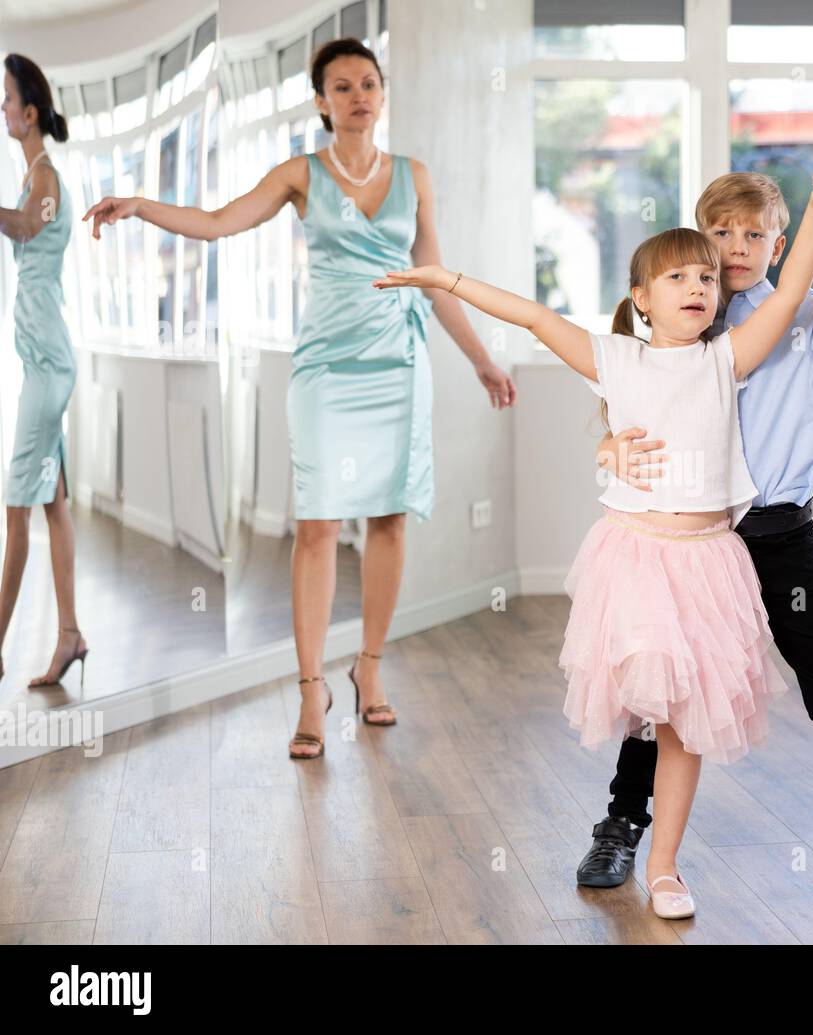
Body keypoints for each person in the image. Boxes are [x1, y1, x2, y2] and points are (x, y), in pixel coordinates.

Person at [373, 168, 813, 918]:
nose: (697, 286)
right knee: (654, 710)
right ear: (642, 297)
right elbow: (529, 315)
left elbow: (788, 294)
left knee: (688, 722)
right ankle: (628, 834)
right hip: (637, 559)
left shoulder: (727, 359)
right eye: (677, 275)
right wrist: (443, 277)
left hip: (710, 559)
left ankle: (663, 865)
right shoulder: (616, 360)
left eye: (707, 277)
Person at [84, 38, 515, 758]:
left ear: (382, 93)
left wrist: (482, 360)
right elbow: (221, 222)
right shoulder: (299, 174)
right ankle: (310, 687)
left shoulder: (415, 175)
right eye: (341, 87)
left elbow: (436, 278)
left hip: (398, 366)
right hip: (326, 370)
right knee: (316, 526)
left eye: (368, 83)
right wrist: (141, 206)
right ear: (322, 102)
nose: (358, 96)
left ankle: (369, 669)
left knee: (389, 521)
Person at [585, 165, 813, 901]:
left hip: (775, 537)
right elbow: (621, 394)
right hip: (689, 543)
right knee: (659, 689)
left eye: (755, 234)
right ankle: (623, 823)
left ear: (779, 248)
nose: (736, 246)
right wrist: (610, 446)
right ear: (696, 239)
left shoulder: (795, 313)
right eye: (720, 232)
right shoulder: (683, 313)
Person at [0, 53, 86, 690]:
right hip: (44, 364)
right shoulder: (35, 176)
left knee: (16, 513)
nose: (1, 109)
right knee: (53, 506)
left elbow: (30, 225)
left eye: (6, 99)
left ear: (29, 113)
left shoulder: (46, 180)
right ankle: (70, 636)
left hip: (49, 368)